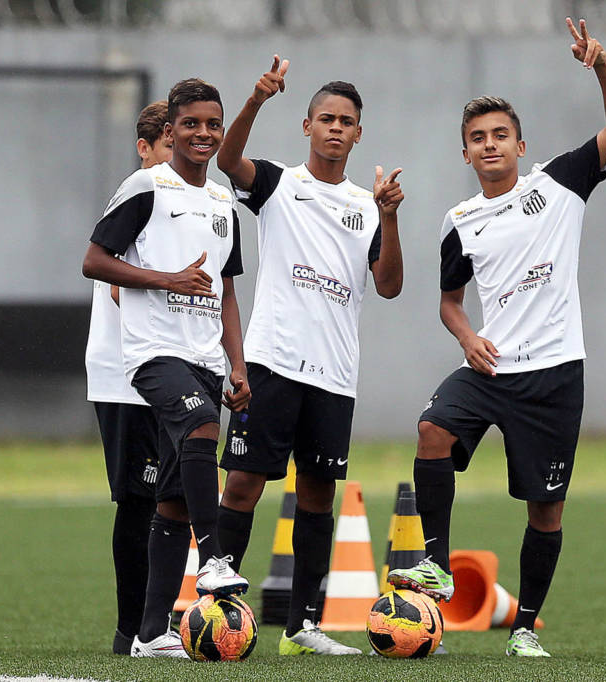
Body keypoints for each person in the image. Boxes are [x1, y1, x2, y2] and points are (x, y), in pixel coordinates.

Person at [387, 18, 606, 658]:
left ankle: (524, 627)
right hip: (491, 370)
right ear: (464, 153)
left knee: (545, 511)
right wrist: (468, 336)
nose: (490, 144)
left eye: (501, 134)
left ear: (521, 147)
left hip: (555, 374)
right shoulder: (459, 220)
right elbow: (448, 302)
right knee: (431, 430)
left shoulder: (558, 185)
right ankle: (437, 565)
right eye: (478, 138)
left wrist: (601, 66)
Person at [215, 56, 405, 656]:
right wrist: (256, 97)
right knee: (243, 482)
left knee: (318, 494)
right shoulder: (277, 183)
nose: (334, 128)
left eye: (346, 120)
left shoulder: (367, 204)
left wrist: (391, 218)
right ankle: (216, 608)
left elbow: (391, 285)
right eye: (325, 118)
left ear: (357, 132)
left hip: (334, 374)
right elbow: (226, 161)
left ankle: (304, 625)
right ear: (306, 126)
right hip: (273, 362)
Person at [82, 78, 252, 658]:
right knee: (201, 424)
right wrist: (167, 279)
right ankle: (214, 560)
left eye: (213, 124)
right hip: (153, 353)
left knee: (174, 498)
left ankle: (151, 634)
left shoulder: (225, 202)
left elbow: (227, 290)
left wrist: (239, 365)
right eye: (191, 124)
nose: (202, 134)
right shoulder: (146, 186)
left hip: (207, 356)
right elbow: (94, 260)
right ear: (170, 130)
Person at [83, 99, 171, 656]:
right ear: (146, 147)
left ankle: (157, 623)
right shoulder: (139, 189)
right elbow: (116, 281)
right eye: (169, 142)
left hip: (171, 368)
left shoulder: (186, 198)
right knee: (141, 501)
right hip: (127, 373)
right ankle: (131, 629)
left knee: (173, 497)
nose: (182, 152)